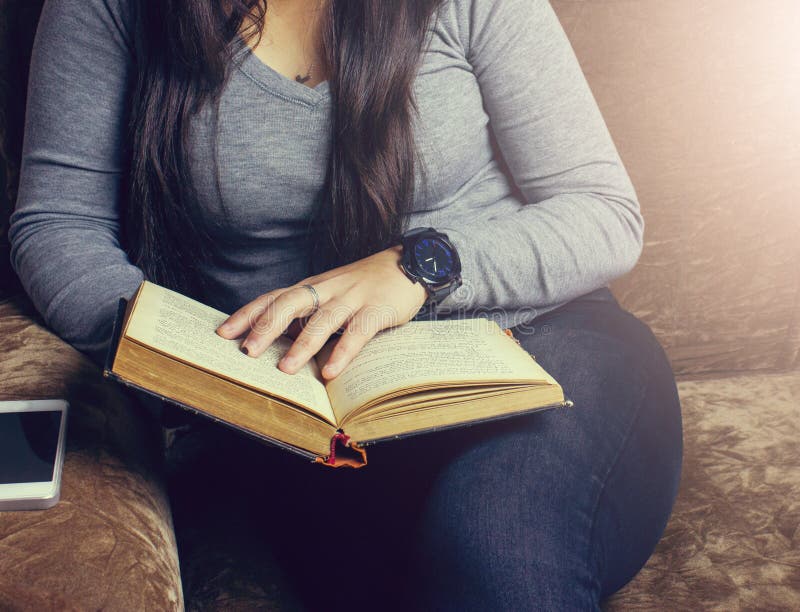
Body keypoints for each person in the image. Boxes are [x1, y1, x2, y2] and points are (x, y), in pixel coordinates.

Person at [8, 0, 683, 609]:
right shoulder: (112, 10)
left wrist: (416, 269)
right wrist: (174, 357)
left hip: (542, 352)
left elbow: (603, 213)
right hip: (310, 413)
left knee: (492, 536)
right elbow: (58, 226)